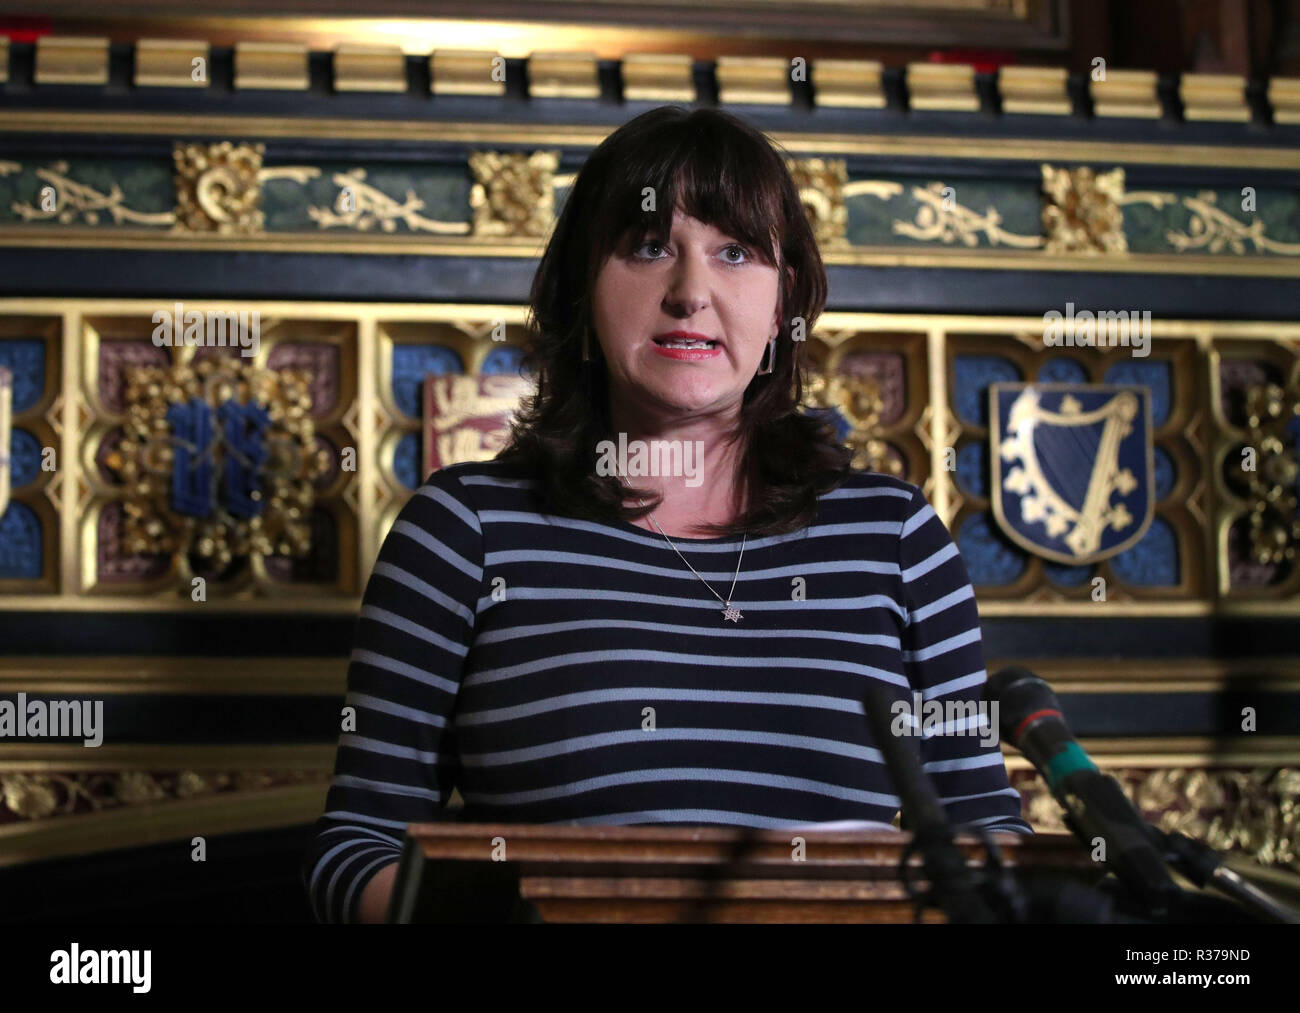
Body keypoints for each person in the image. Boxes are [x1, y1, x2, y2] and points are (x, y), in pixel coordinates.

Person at [301, 105, 1032, 924]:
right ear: (583, 286)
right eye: (650, 247)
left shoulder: (896, 539)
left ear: (786, 294)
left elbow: (988, 830)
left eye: (735, 251)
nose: (691, 291)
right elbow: (355, 846)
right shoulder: (465, 530)